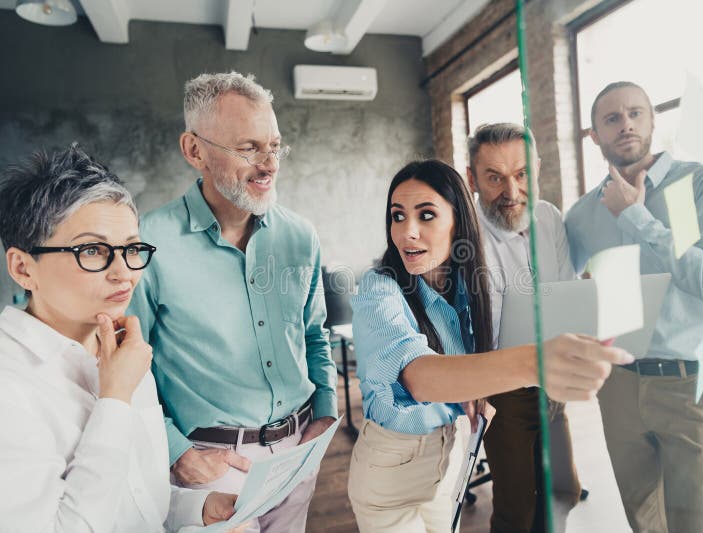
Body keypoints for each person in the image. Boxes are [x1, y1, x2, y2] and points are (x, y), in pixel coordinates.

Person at [347, 159, 634, 533]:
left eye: (426, 215)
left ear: (458, 223)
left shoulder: (465, 288)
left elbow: (476, 352)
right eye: (397, 216)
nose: (407, 232)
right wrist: (536, 362)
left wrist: (473, 392)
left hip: (446, 460)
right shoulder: (379, 287)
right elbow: (418, 376)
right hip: (389, 475)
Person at [128, 72, 338, 533]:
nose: (268, 164)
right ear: (194, 150)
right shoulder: (147, 243)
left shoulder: (301, 236)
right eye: (248, 148)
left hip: (298, 451)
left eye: (274, 146)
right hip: (210, 467)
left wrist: (325, 412)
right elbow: (126, 367)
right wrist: (174, 450)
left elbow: (313, 334)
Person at [0, 145, 242, 532]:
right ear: (23, 268)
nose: (124, 273)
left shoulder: (119, 345)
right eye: (93, 250)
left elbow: (137, 499)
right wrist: (114, 399)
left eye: (131, 248)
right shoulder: (9, 387)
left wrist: (197, 508)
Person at [564, 81, 703, 533]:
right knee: (645, 523)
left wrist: (636, 218)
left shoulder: (699, 185)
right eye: (612, 118)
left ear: (652, 120)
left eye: (636, 113)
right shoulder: (583, 215)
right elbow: (563, 290)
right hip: (618, 389)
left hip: (690, 388)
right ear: (594, 136)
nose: (626, 125)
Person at [466, 123, 582, 533]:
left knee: (557, 493)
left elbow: (566, 287)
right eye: (495, 177)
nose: (511, 191)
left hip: (552, 375)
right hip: (502, 383)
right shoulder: (463, 231)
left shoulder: (549, 216)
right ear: (472, 179)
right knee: (516, 507)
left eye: (521, 174)